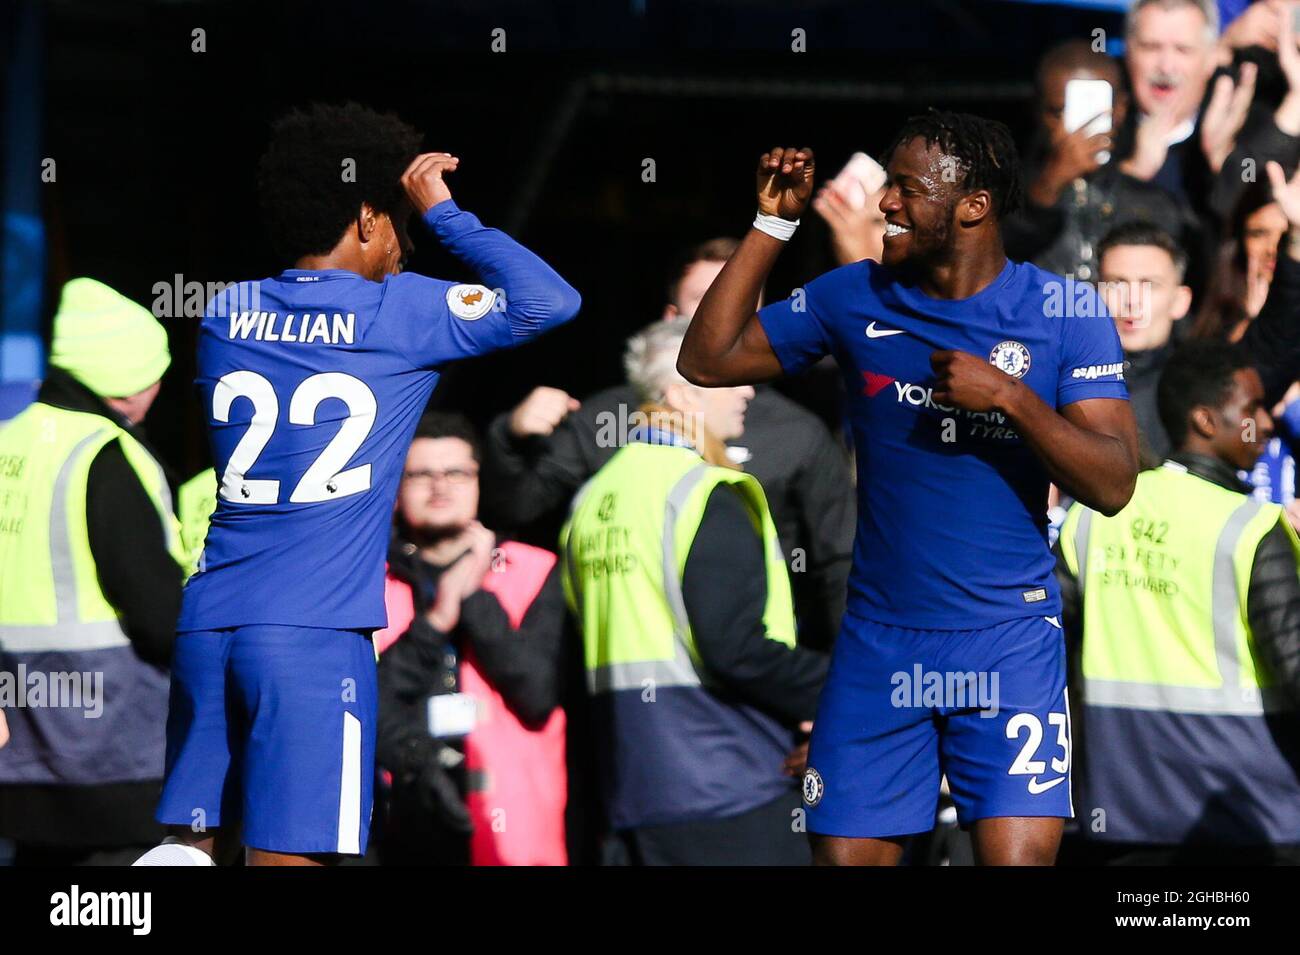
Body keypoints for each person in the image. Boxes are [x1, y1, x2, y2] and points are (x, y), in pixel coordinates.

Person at [679, 112, 1141, 866]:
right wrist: (771, 223)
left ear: (973, 205)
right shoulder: (852, 296)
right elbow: (707, 360)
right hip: (878, 645)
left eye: (906, 188)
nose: (883, 203)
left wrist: (1013, 399)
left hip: (1008, 641)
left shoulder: (1064, 311)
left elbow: (1116, 483)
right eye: (888, 184)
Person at [134, 102, 580, 867]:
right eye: (398, 228)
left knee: (191, 846)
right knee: (295, 857)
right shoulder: (400, 308)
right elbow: (551, 300)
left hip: (210, 620)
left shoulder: (223, 312)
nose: (404, 249)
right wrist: (447, 215)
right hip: (314, 638)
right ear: (369, 217)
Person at [481, 239, 856, 651]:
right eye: (707, 298)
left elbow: (838, 562)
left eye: (742, 297)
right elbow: (516, 511)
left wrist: (842, 680)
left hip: (759, 667)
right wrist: (509, 438)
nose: (726, 309)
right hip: (640, 665)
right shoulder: (605, 418)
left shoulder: (798, 431)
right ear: (670, 317)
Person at [560, 320, 828, 865]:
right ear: (682, 393)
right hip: (729, 781)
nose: (750, 389)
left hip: (630, 784)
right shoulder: (703, 490)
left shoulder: (591, 498)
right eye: (732, 376)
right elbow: (736, 648)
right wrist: (838, 693)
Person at [1055, 341, 1300, 864]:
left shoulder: (1090, 517)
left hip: (1120, 812)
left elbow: (1043, 650)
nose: (1266, 423)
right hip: (1248, 816)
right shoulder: (1254, 526)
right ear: (1206, 420)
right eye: (1252, 409)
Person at [0, 278, 185, 866]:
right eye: (154, 371)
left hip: (20, 759)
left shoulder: (10, 442)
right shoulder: (106, 452)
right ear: (125, 378)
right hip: (110, 759)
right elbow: (159, 614)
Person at [374, 412, 573, 866]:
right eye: (421, 474)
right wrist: (437, 618)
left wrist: (474, 594)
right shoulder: (368, 585)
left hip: (515, 833)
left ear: (480, 480)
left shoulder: (534, 569)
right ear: (397, 487)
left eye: (456, 472)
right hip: (401, 825)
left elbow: (537, 693)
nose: (440, 486)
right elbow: (366, 701)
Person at [1006, 40, 1190, 283]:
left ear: (1120, 109)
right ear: (1037, 110)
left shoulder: (1153, 204)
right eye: (1060, 113)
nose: (1072, 130)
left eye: (1091, 112)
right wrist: (1050, 184)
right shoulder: (1001, 191)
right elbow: (995, 257)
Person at [1095, 222, 1195, 459]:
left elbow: (1272, 348)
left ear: (1180, 301)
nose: (1132, 301)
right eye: (1117, 283)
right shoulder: (1060, 379)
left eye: (1149, 285)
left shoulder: (1198, 385)